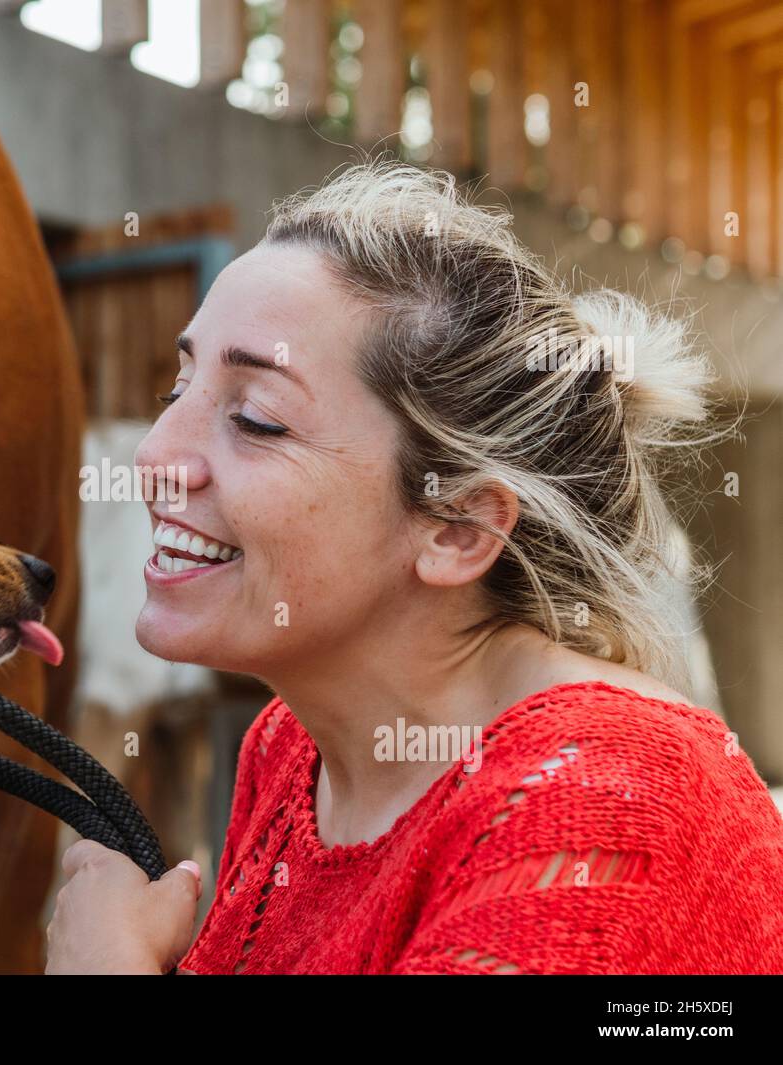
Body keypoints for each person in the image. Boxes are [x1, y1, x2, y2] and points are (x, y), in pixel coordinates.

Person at [44, 159, 783, 975]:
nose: (154, 457)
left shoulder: (601, 802)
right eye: (175, 389)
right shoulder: (292, 749)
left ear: (459, 527)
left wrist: (103, 963)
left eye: (255, 420)